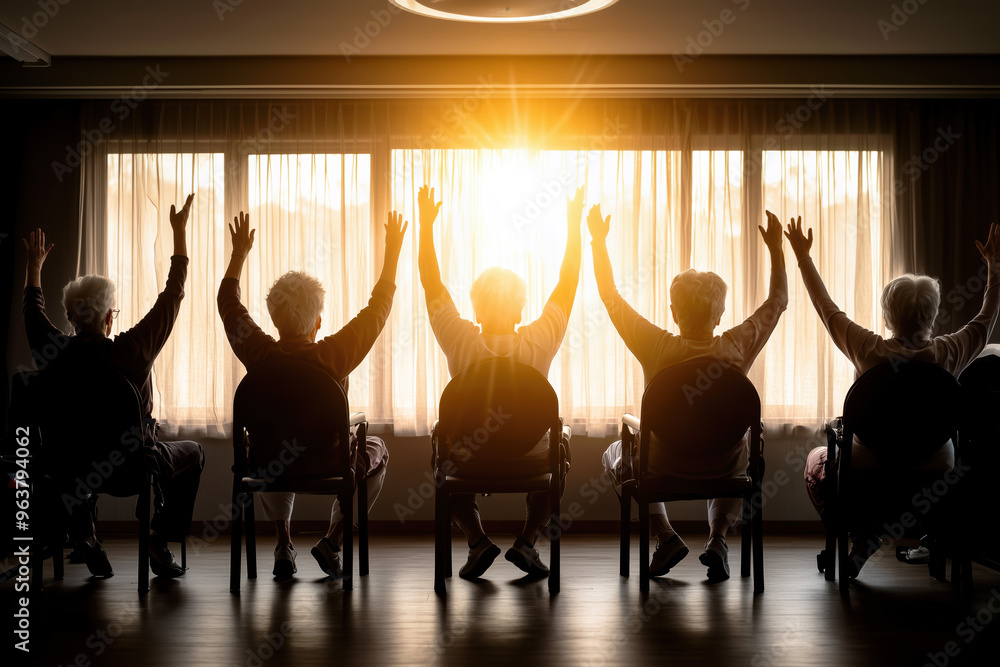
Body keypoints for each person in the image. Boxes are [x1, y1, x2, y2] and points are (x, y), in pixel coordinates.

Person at [789, 217, 1000, 577]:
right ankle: (926, 535)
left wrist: (803, 257)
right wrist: (994, 268)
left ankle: (862, 534)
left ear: (887, 316)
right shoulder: (951, 351)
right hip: (935, 476)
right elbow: (987, 316)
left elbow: (825, 307)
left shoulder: (866, 347)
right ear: (933, 314)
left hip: (867, 476)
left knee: (815, 459)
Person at [591, 207, 788, 582]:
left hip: (663, 466)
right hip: (725, 467)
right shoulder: (736, 346)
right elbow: (778, 300)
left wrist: (599, 242)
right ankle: (718, 538)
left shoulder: (655, 345)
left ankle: (665, 536)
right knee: (744, 442)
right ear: (720, 315)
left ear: (673, 312)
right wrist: (777, 250)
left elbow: (609, 296)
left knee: (615, 451)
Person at [21, 194, 205, 579]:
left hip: (71, 470)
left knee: (79, 447)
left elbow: (33, 313)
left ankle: (84, 529)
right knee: (195, 453)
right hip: (132, 471)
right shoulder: (133, 349)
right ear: (108, 317)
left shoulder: (53, 353)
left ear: (70, 318)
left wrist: (34, 266)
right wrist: (178, 234)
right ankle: (158, 538)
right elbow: (173, 295)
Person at [218, 210, 406, 581]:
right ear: (318, 322)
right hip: (327, 463)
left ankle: (283, 544)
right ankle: (333, 541)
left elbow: (228, 303)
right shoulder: (335, 355)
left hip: (269, 464)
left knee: (267, 442)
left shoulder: (258, 352)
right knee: (377, 448)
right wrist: (392, 254)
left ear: (274, 319)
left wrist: (238, 254)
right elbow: (378, 308)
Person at [419, 183, 583, 580]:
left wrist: (425, 226)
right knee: (561, 443)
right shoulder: (540, 338)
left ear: (476, 310)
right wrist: (573, 225)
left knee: (440, 445)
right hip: (530, 456)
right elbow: (568, 283)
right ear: (521, 310)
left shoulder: (458, 337)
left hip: (470, 457)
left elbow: (431, 282)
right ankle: (528, 541)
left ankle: (477, 540)